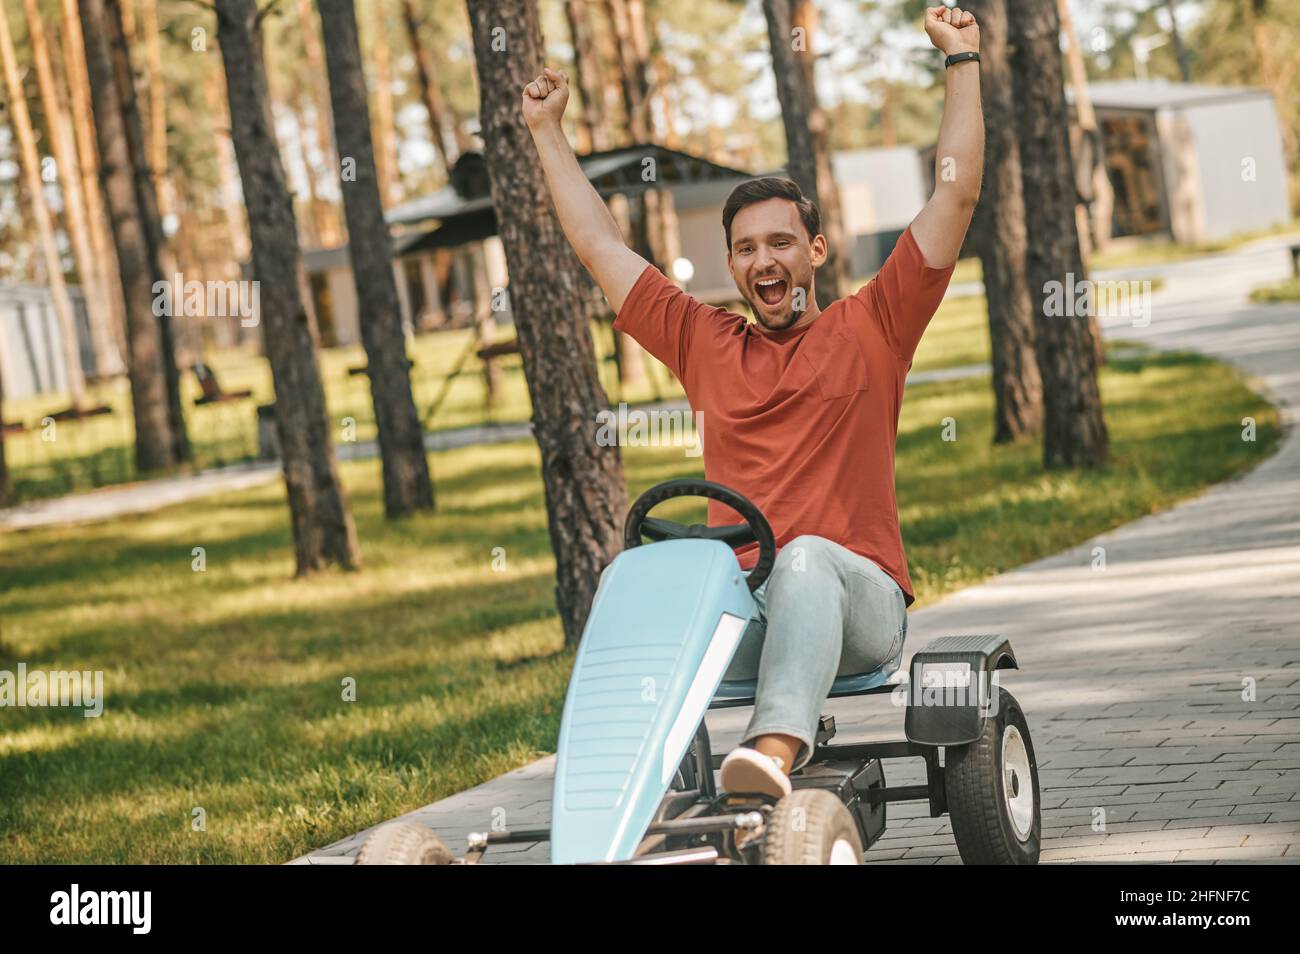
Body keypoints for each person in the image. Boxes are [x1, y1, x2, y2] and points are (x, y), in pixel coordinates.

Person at [523, 5, 984, 798]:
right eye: (745, 248)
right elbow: (600, 246)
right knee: (629, 579)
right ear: (732, 265)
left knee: (803, 555)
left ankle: (770, 755)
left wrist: (961, 63)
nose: (763, 261)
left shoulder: (874, 324)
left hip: (858, 608)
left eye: (780, 243)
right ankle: (624, 782)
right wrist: (545, 131)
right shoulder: (704, 342)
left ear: (814, 251)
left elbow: (956, 196)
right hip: (745, 614)